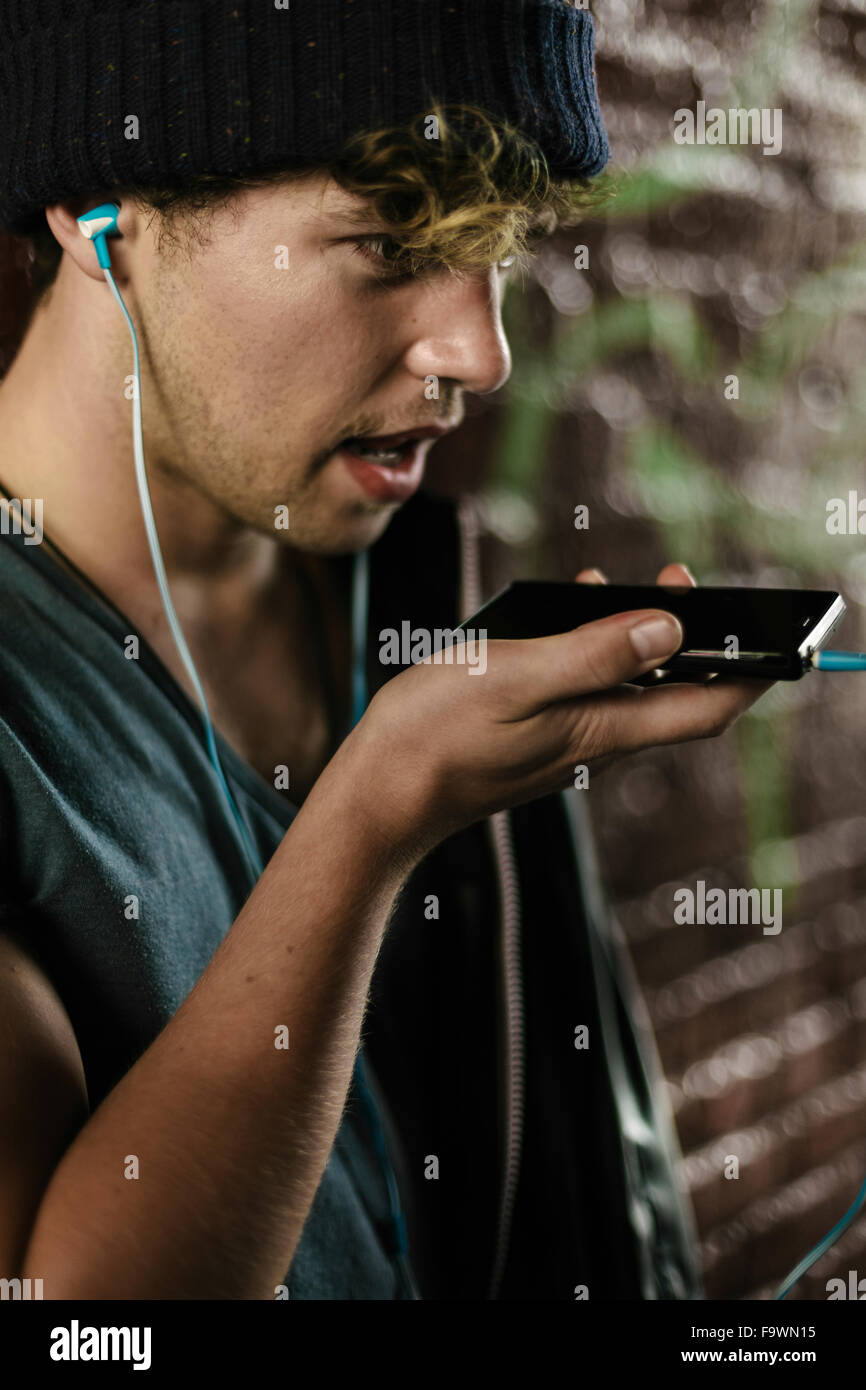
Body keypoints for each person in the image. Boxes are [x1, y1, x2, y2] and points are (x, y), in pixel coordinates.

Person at [0, 0, 770, 1301]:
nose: (479, 351)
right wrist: (370, 821)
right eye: (383, 242)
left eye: (495, 254)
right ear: (99, 219)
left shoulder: (434, 587)